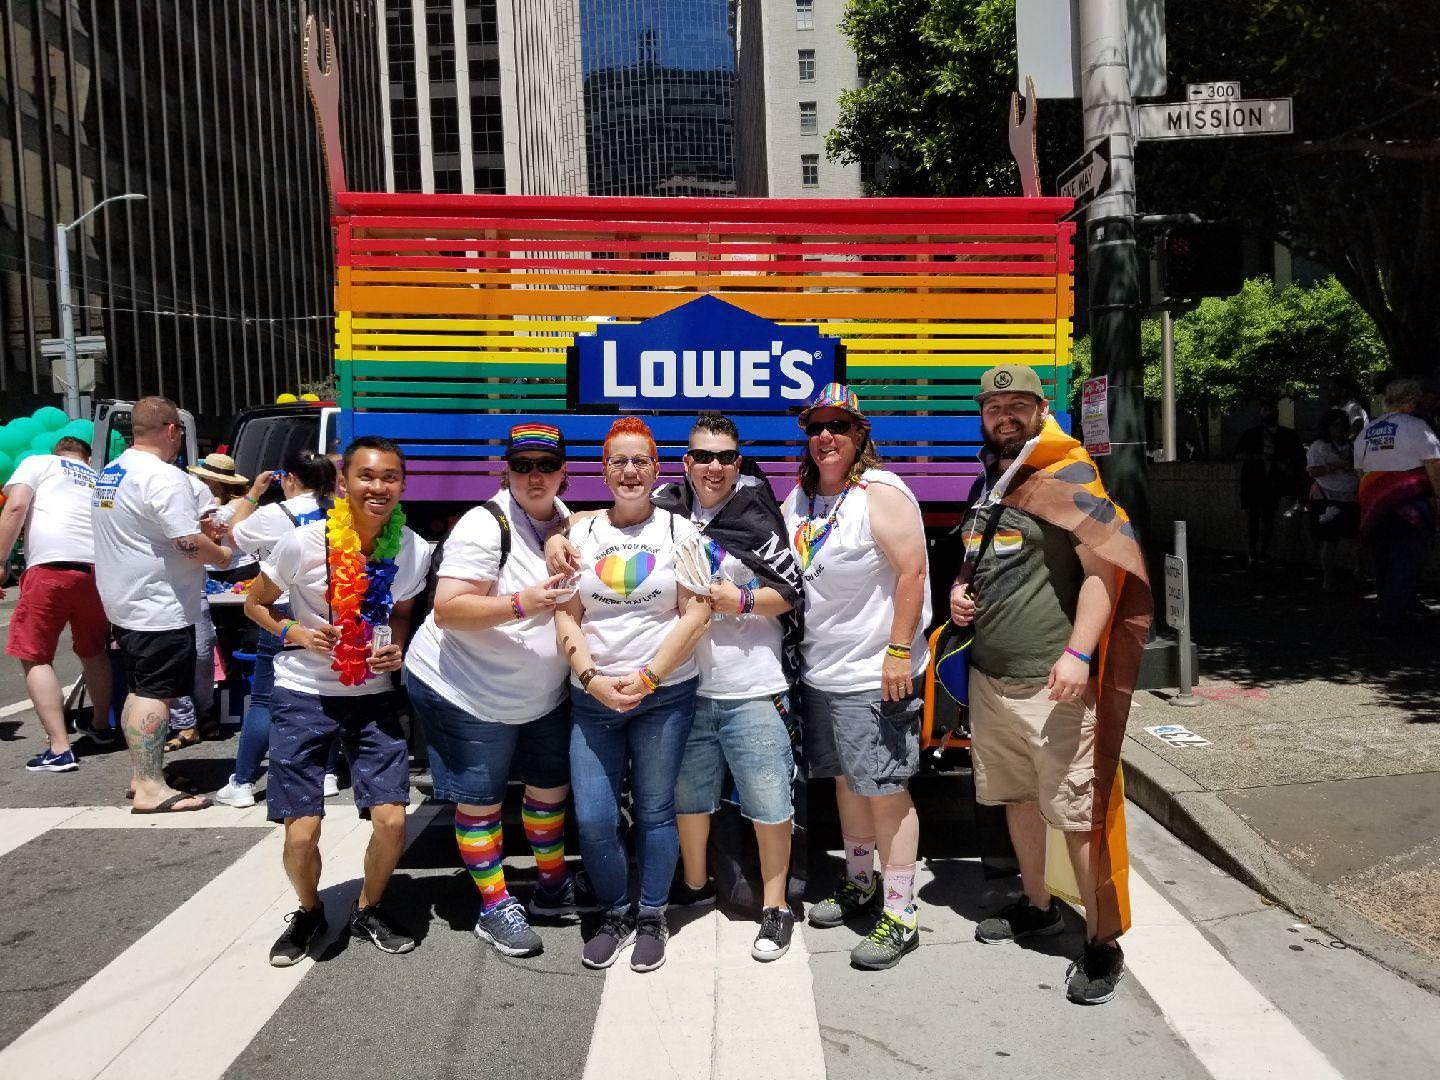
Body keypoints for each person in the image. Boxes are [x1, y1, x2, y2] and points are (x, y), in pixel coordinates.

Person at [547, 414, 805, 961]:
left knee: (765, 800)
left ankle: (774, 907)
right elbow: (600, 517)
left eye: (726, 457)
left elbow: (791, 591)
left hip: (743, 683)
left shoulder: (753, 516)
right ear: (684, 464)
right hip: (689, 689)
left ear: (739, 463)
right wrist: (555, 537)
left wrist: (736, 602)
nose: (714, 467)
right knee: (682, 803)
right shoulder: (669, 506)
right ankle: (688, 889)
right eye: (703, 457)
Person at [950, 364, 1152, 1006]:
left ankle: (1101, 942)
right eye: (994, 406)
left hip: (1052, 682)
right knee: (1015, 799)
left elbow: (1105, 573)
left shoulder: (1069, 475)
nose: (1004, 416)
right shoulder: (992, 481)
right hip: (992, 676)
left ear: (1042, 409)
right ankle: (1036, 904)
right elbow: (983, 557)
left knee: (1079, 816)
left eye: (1018, 406)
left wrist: (1077, 653)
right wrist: (960, 592)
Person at [244, 436, 431, 966]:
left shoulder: (411, 548)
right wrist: (295, 634)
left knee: (393, 821)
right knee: (302, 833)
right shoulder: (304, 543)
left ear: (402, 484)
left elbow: (401, 612)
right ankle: (308, 912)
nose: (379, 487)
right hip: (305, 693)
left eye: (390, 477)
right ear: (343, 482)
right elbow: (255, 604)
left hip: (371, 695)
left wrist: (396, 646)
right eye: (367, 476)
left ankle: (369, 908)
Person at [403, 423, 582, 959]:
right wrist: (523, 603)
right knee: (480, 800)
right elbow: (449, 610)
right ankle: (494, 903)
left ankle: (551, 884)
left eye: (545, 466)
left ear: (563, 474)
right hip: (467, 690)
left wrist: (555, 535)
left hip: (539, 694)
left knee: (549, 790)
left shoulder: (565, 520)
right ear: (504, 470)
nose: (534, 476)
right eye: (522, 465)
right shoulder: (484, 525)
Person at [552, 417, 712, 974]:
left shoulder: (681, 534)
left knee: (655, 810)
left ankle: (651, 915)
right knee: (594, 817)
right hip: (592, 697)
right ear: (603, 470)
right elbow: (566, 615)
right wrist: (594, 678)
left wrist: (646, 680)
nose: (629, 471)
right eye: (618, 461)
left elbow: (697, 612)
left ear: (656, 469)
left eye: (639, 460)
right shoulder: (579, 534)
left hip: (664, 695)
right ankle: (615, 913)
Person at [780, 383, 931, 971]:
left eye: (838, 426)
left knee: (887, 790)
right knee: (847, 781)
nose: (825, 436)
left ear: (860, 434)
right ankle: (861, 883)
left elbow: (913, 572)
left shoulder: (882, 492)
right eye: (816, 426)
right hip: (821, 671)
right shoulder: (803, 498)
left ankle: (901, 914)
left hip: (874, 670)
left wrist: (898, 651)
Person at [92, 396, 229, 813]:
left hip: (125, 599)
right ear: (172, 430)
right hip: (160, 603)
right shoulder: (163, 477)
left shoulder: (112, 472)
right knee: (157, 693)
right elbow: (187, 543)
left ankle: (143, 774)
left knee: (141, 688)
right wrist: (223, 555)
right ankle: (152, 786)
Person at [213, 449, 339, 807]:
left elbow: (233, 536)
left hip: (279, 610)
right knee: (327, 691)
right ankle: (327, 773)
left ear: (291, 479)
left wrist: (253, 493)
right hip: (325, 609)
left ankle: (243, 782)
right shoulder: (339, 512)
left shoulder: (273, 514)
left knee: (266, 699)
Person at [0, 435, 113, 772]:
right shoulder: (100, 478)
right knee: (94, 651)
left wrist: (1, 560)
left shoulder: (39, 463)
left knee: (34, 654)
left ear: (57, 454)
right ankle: (101, 727)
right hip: (96, 570)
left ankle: (59, 747)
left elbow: (16, 505)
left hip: (50, 566)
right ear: (87, 460)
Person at [1354, 379, 1440, 631]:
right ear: (1412, 399)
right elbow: (1433, 465)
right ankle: (1393, 617)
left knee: (1383, 559)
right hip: (1408, 503)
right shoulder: (1416, 427)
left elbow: (1359, 469)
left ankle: (1388, 609)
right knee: (1408, 557)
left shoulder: (1369, 430)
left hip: (1374, 502)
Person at [1235, 400, 1303, 565]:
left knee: (1268, 519)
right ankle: (1252, 551)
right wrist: (1257, 457)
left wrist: (1285, 464)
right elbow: (1238, 454)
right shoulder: (1251, 434)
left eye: (1271, 409)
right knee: (1252, 519)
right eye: (1265, 410)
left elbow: (1298, 456)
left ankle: (1264, 550)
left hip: (1273, 483)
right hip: (1252, 482)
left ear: (1277, 412)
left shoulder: (1287, 435)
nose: (1268, 413)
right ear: (1260, 413)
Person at [1305, 409, 1360, 591]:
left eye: (1344, 425)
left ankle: (1359, 571)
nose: (1340, 429)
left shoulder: (1352, 446)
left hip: (1351, 495)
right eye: (1335, 425)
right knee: (1330, 540)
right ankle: (1327, 578)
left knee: (1358, 538)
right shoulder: (1319, 446)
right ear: (1327, 427)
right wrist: (1334, 466)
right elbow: (1313, 471)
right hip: (1328, 495)